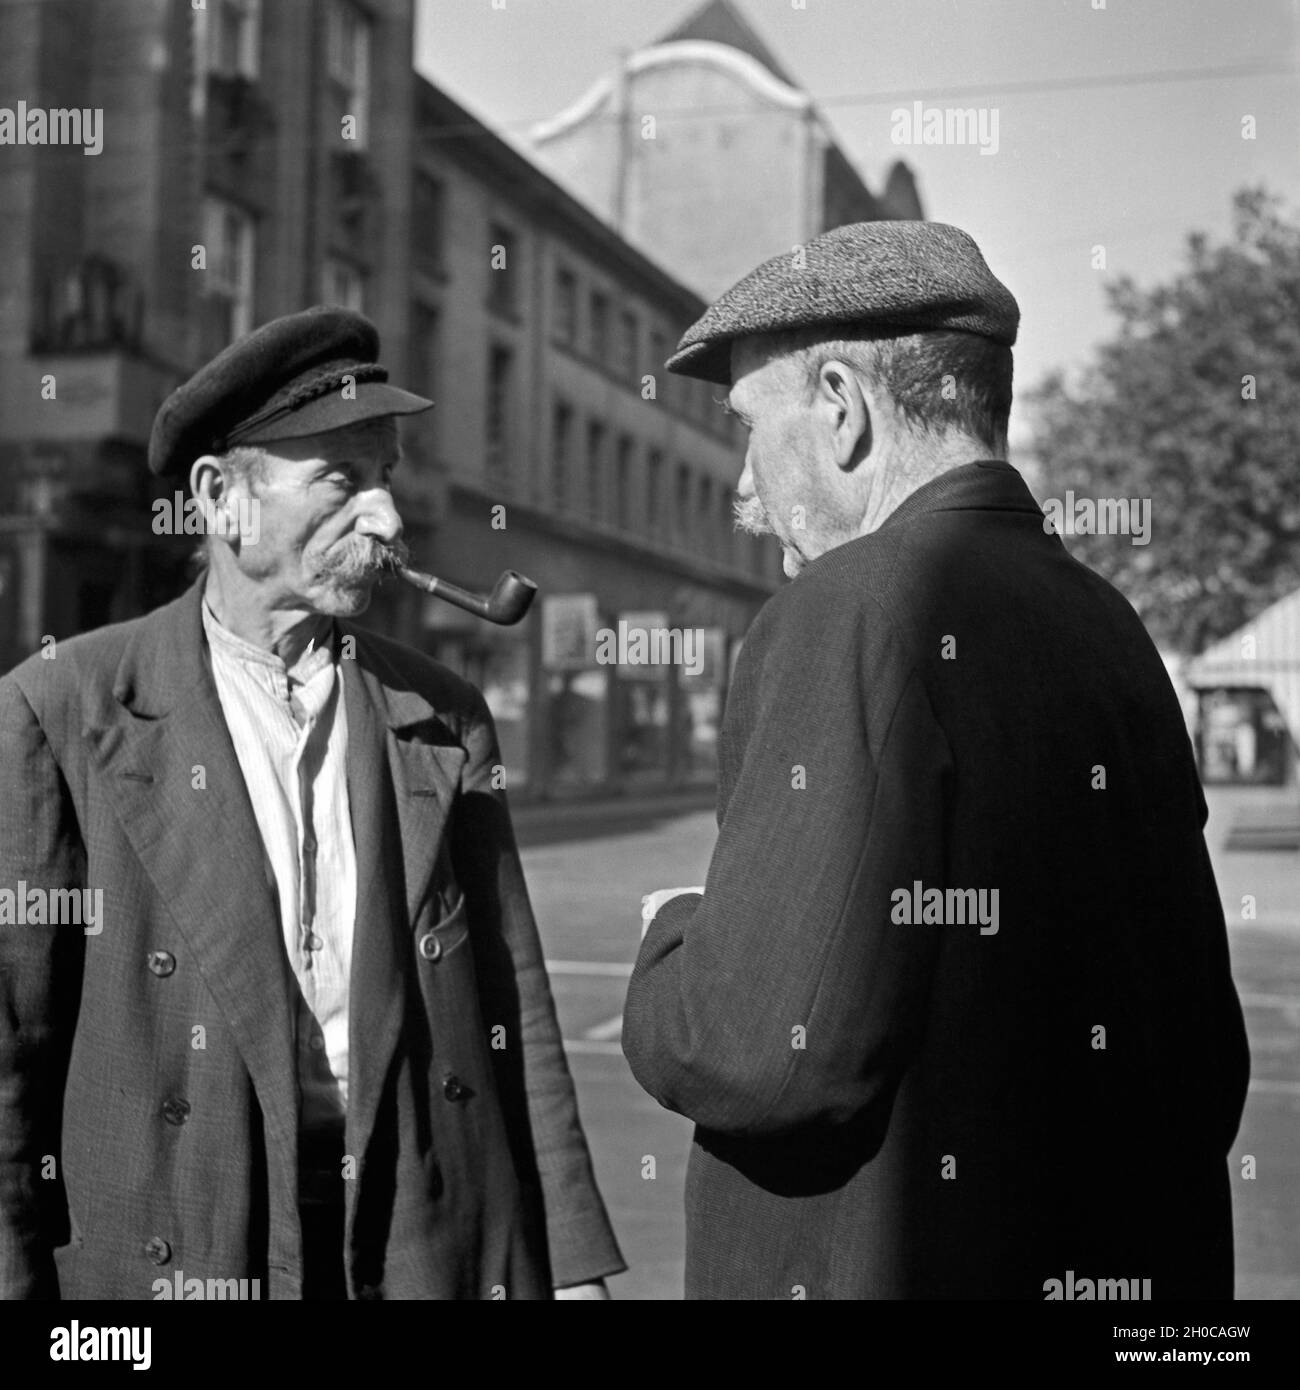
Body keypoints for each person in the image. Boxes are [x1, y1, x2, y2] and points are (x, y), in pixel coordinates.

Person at [622, 222, 1250, 1300]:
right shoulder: (1106, 623)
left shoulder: (848, 610)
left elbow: (767, 1045)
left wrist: (671, 941)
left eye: (746, 426)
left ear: (839, 404)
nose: (744, 483)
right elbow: (1201, 1057)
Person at [0, 306, 623, 1300]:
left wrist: (571, 1257)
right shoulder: (62, 707)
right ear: (221, 498)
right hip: (190, 1235)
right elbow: (10, 1057)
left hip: (412, 1231)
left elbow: (512, 1001)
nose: (386, 516)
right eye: (342, 480)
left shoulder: (442, 712)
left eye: (387, 479)